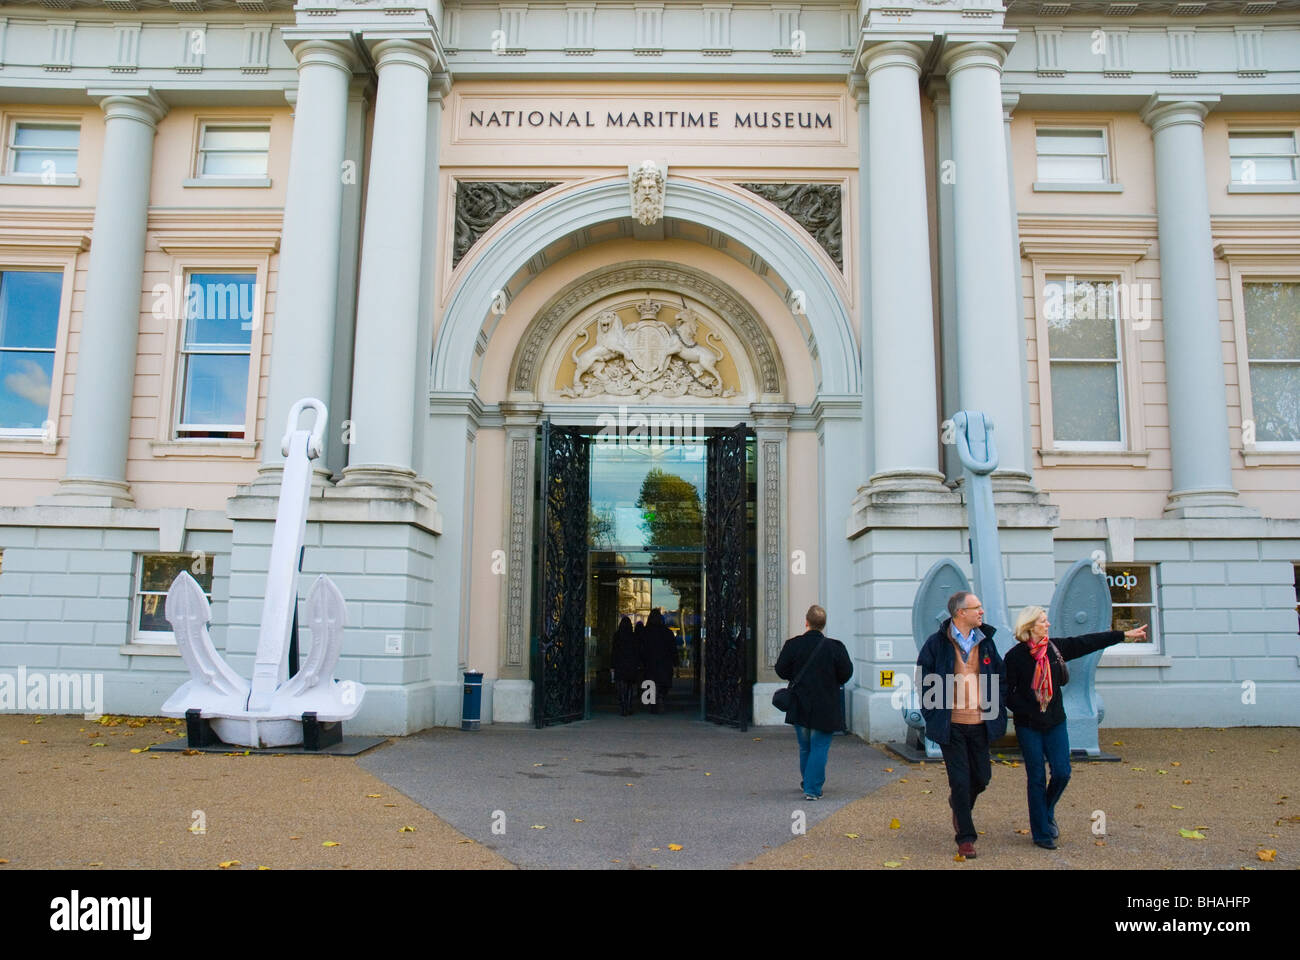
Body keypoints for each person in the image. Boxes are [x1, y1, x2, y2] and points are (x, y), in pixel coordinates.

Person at [1006, 605, 1147, 849]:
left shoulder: (1054, 649)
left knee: (1062, 772)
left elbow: (1086, 642)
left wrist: (1121, 636)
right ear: (1029, 627)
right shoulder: (1015, 657)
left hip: (1055, 722)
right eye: (1042, 621)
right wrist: (1027, 706)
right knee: (1036, 777)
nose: (1048, 624)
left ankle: (1046, 810)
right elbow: (1005, 693)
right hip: (1029, 725)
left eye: (1046, 620)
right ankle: (1041, 833)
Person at [917, 591, 1006, 859]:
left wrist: (998, 708)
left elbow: (999, 676)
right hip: (951, 724)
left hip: (980, 722)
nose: (981, 611)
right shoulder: (936, 643)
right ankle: (965, 838)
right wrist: (933, 716)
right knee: (959, 779)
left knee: (981, 777)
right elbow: (923, 680)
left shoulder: (987, 643)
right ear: (960, 613)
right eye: (976, 607)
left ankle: (959, 805)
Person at [774, 604, 853, 800]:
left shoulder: (793, 644)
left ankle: (807, 781)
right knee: (819, 747)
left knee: (805, 747)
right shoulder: (836, 647)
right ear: (824, 624)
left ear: (806, 622)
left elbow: (781, 670)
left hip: (800, 704)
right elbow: (846, 674)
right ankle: (812, 788)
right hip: (826, 705)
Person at [641, 609, 675, 714]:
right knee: (663, 683)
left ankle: (653, 704)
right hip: (664, 663)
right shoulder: (667, 633)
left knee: (650, 683)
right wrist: (675, 661)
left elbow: (641, 648)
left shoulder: (645, 633)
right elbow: (672, 649)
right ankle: (660, 698)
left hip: (650, 663)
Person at [611, 615, 640, 716]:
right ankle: (629, 705)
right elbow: (637, 651)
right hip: (631, 664)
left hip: (620, 664)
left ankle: (623, 706)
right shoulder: (633, 636)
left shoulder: (617, 636)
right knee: (630, 686)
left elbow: (614, 651)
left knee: (622, 686)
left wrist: (613, 665)